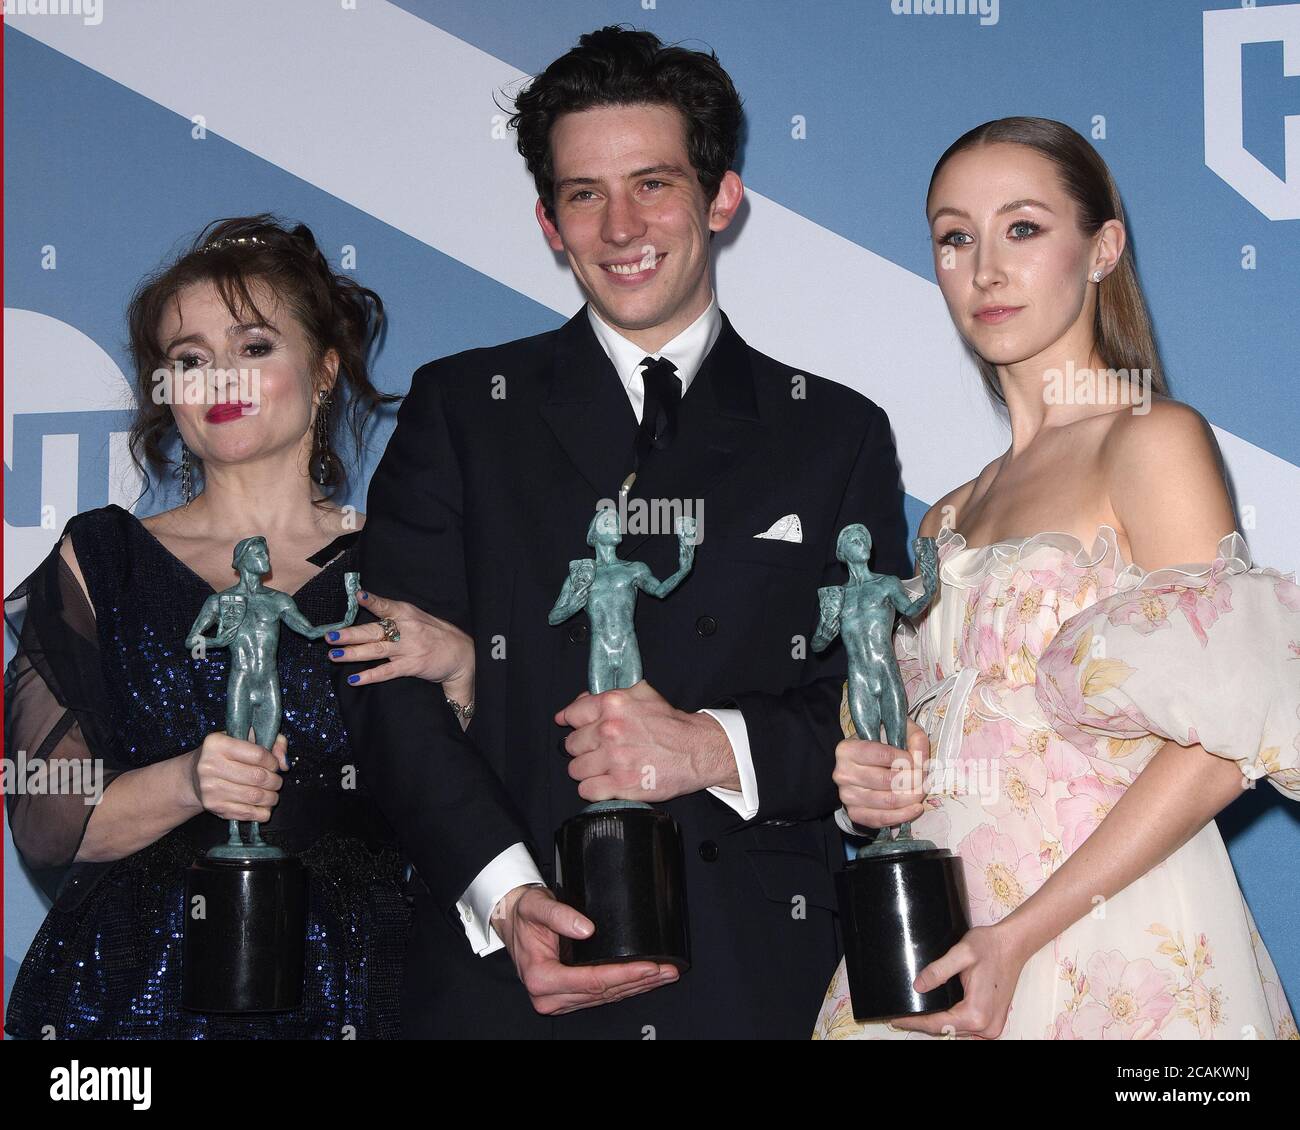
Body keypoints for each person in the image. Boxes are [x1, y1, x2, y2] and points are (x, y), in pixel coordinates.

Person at [329, 26, 910, 1039]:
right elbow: (391, 685)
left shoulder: (835, 431)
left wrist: (708, 745)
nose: (620, 224)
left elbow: (875, 708)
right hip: (506, 983)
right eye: (583, 193)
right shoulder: (463, 407)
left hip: (752, 977)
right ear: (549, 221)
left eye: (653, 182)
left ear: (721, 197)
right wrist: (507, 897)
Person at [814, 118, 1299, 1040]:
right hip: (946, 943)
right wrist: (880, 781)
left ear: (1103, 246)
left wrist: (1023, 936)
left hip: (1107, 936)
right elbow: (940, 747)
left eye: (1023, 228)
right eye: (956, 237)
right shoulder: (946, 515)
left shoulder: (1151, 440)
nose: (985, 268)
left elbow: (1224, 744)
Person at [3, 215, 467, 1038]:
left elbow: (483, 804)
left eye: (253, 348)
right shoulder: (102, 559)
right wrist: (189, 781)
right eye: (189, 359)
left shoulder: (408, 562)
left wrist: (465, 675)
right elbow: (49, 815)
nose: (219, 380)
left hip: (371, 981)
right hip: (136, 987)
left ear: (324, 371)